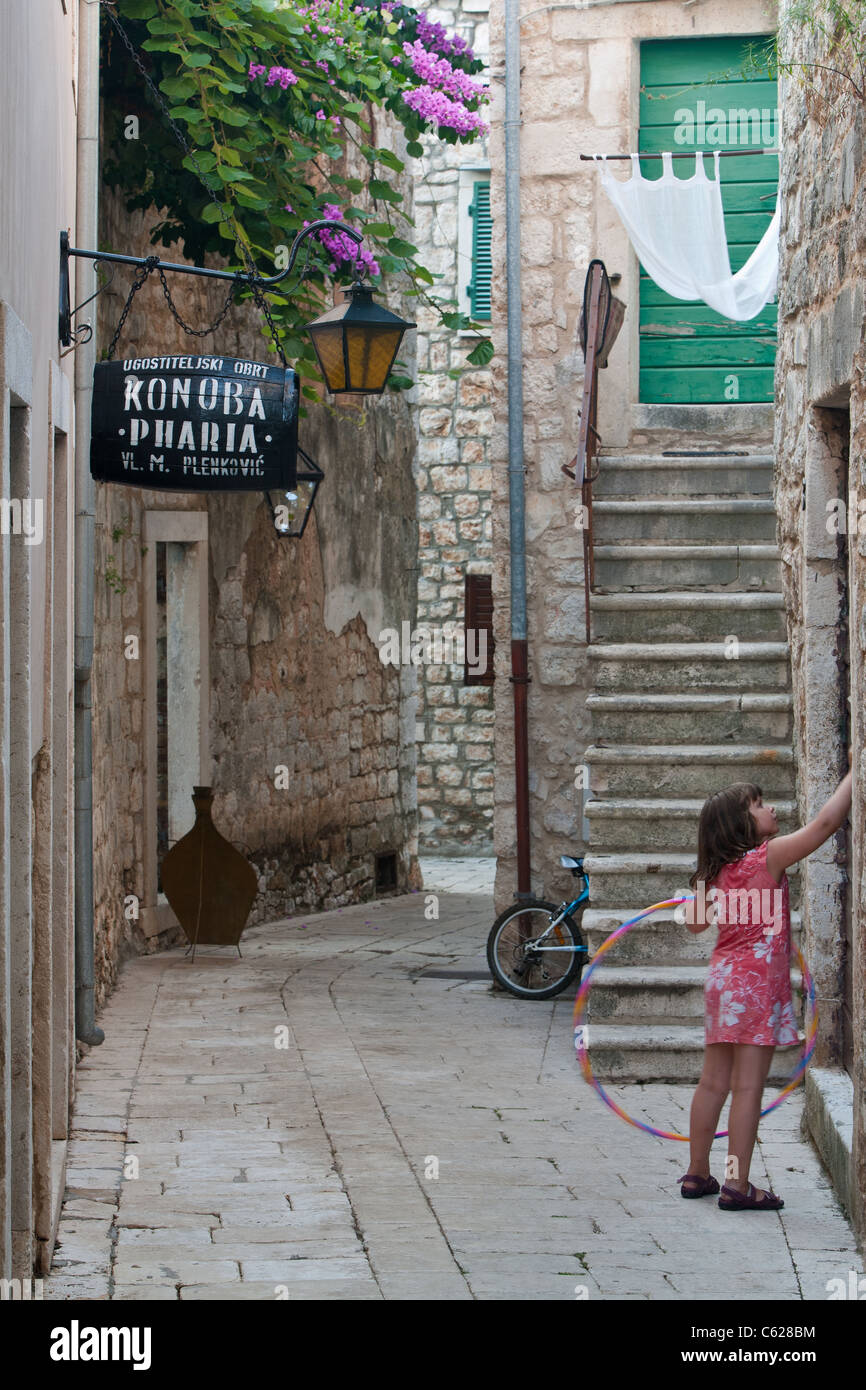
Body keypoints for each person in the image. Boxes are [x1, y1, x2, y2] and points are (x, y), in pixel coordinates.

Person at [678, 770, 852, 1210]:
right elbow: (825, 825)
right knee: (748, 1088)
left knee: (713, 1082)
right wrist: (857, 772)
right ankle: (737, 1184)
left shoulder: (713, 874)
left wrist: (700, 885)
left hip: (722, 983)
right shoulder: (769, 856)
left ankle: (697, 1173)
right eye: (759, 804)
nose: (770, 808)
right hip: (755, 988)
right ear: (741, 824)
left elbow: (696, 924)